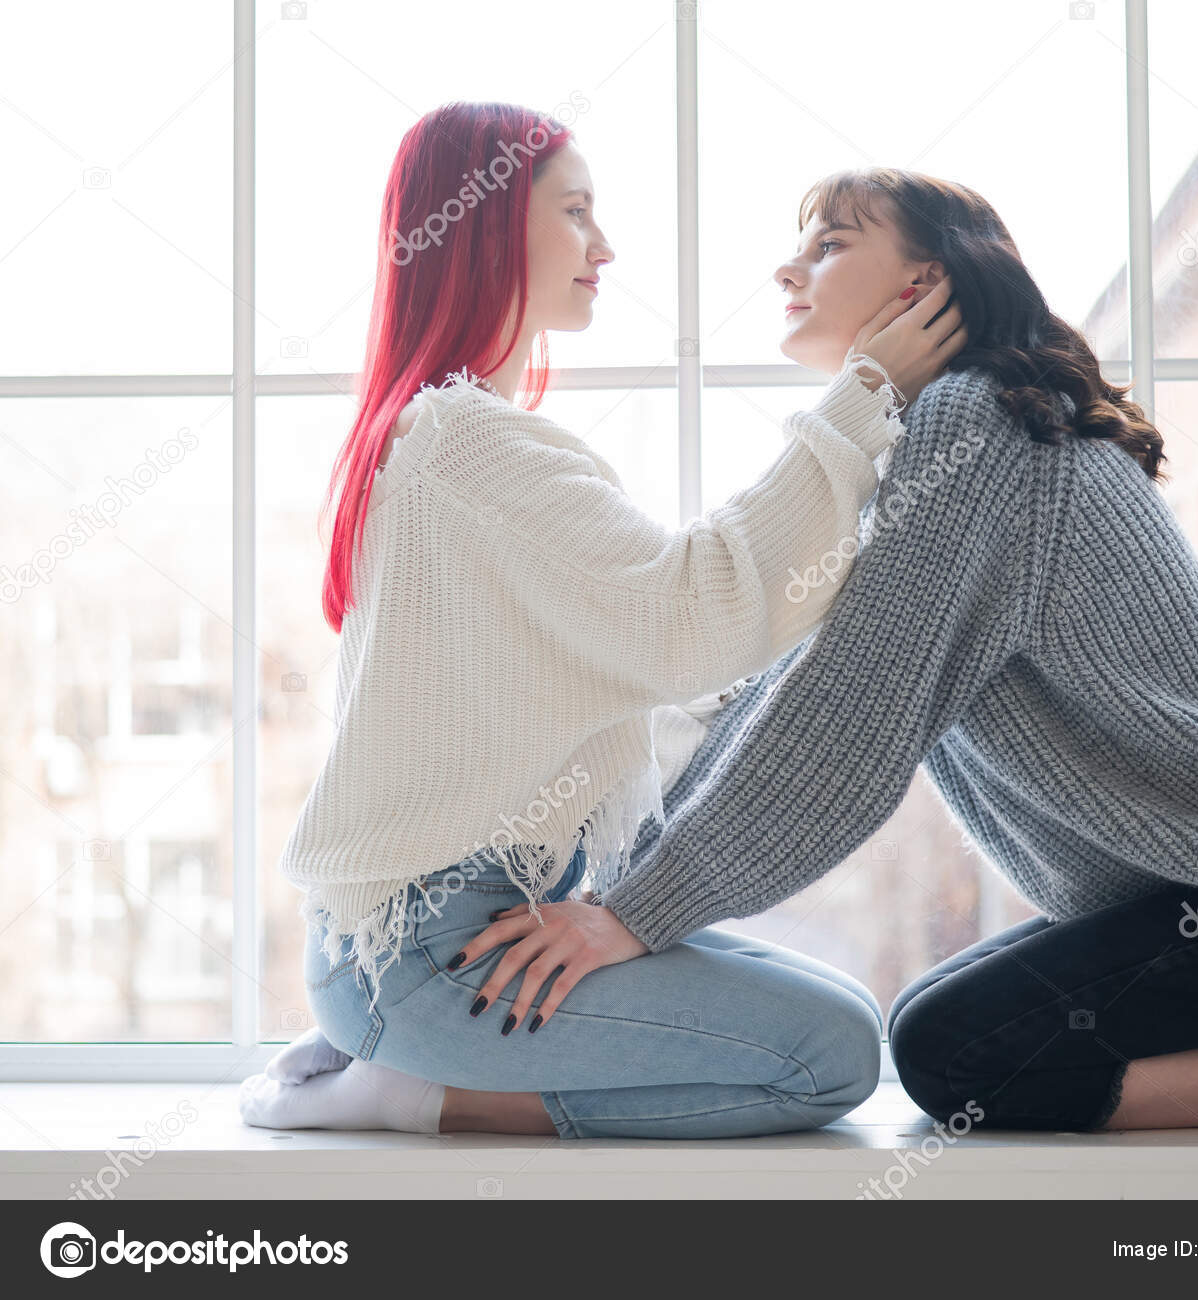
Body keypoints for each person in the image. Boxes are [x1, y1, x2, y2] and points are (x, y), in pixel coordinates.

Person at [497, 165, 1198, 1134]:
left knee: (956, 1053)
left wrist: (637, 910)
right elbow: (782, 689)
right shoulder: (949, 440)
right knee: (928, 1017)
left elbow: (847, 717)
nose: (788, 265)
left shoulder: (976, 430)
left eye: (828, 242)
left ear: (925, 286)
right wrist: (609, 869)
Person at [238, 105, 966, 1140]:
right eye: (575, 211)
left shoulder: (455, 437)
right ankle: (415, 1089)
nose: (604, 245)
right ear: (484, 228)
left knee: (845, 1022)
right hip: (429, 955)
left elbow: (659, 658)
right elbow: (695, 607)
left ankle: (398, 1062)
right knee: (827, 1057)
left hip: (469, 928)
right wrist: (862, 399)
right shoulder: (463, 443)